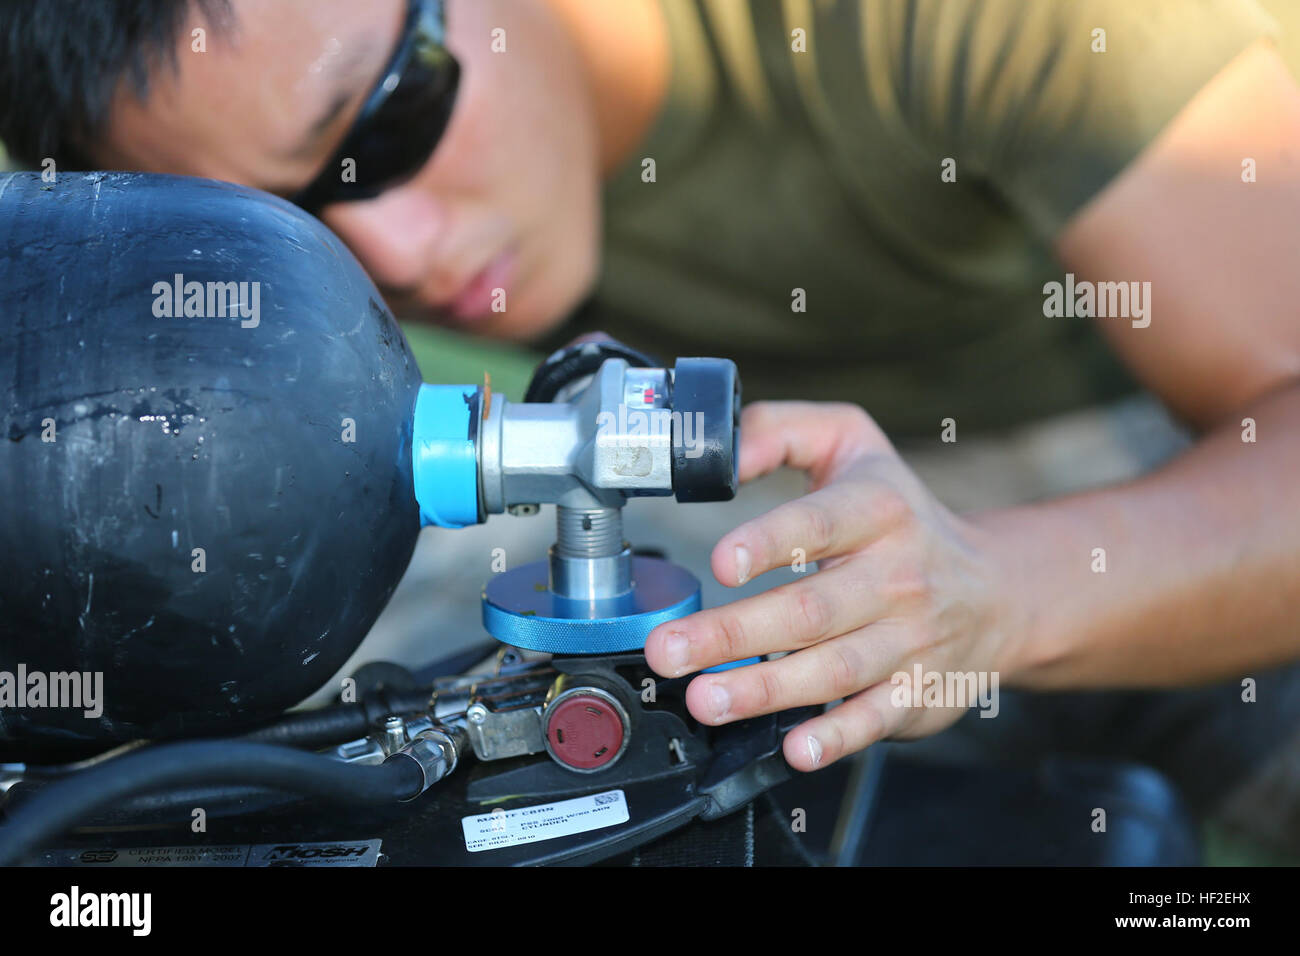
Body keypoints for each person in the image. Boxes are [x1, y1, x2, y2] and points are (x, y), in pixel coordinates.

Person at [4, 0, 1300, 847]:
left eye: (389, 118)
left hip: (1190, 486)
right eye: (284, 229)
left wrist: (991, 589)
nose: (391, 253)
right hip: (767, 514)